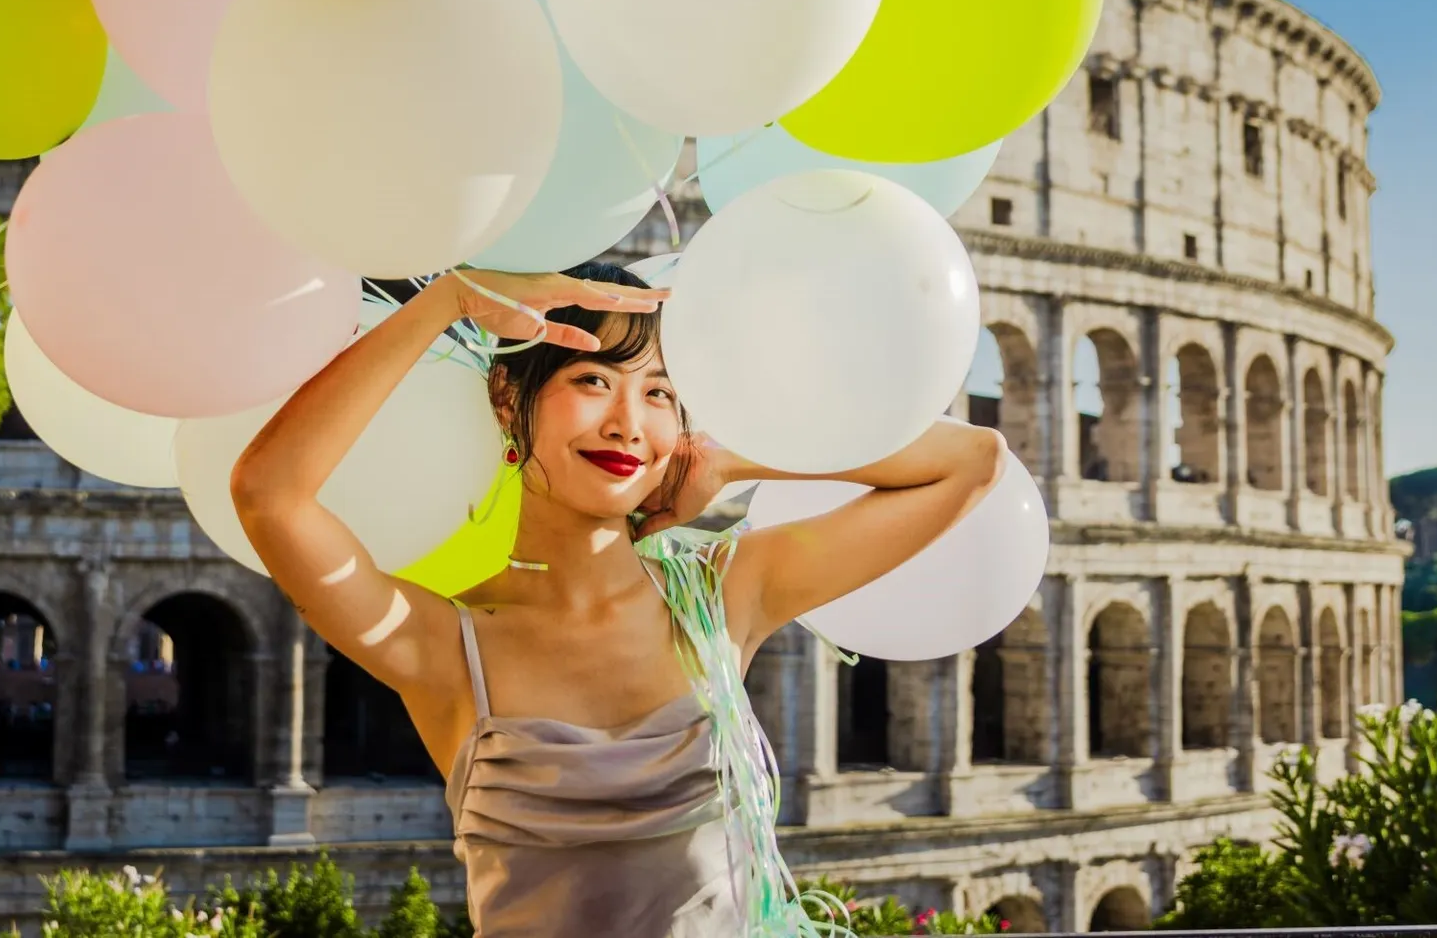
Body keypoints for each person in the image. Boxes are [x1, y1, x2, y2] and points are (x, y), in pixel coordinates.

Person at [232, 262, 1005, 938]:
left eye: (659, 393)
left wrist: (732, 457)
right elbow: (270, 494)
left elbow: (971, 459)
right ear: (507, 396)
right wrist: (445, 305)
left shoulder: (723, 595)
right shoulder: (443, 643)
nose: (627, 424)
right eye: (592, 380)